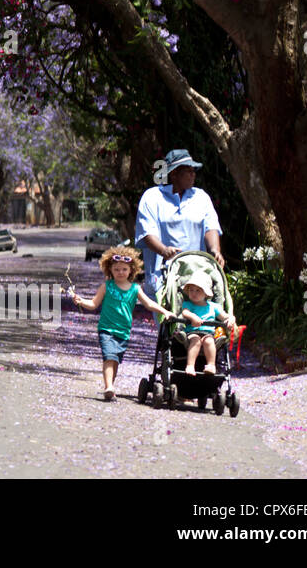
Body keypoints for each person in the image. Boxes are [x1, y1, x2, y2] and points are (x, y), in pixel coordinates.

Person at [68, 247, 170, 401]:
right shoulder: (107, 286)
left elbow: (149, 304)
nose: (120, 272)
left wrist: (165, 311)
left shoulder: (135, 289)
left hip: (123, 332)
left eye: (124, 269)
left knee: (115, 360)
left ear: (131, 270)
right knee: (109, 357)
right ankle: (108, 386)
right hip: (106, 329)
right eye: (116, 269)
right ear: (110, 270)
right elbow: (94, 304)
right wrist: (81, 301)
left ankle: (110, 388)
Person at [135, 148, 224, 303]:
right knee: (170, 324)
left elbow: (210, 227)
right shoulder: (152, 198)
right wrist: (163, 250)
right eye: (188, 170)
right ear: (174, 174)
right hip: (163, 278)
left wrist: (215, 250)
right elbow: (147, 233)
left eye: (194, 170)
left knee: (198, 323)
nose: (193, 174)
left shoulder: (201, 197)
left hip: (196, 278)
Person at [178, 272, 237, 375]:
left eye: (198, 290)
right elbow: (185, 312)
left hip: (208, 333)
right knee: (196, 341)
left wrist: (230, 319)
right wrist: (193, 317)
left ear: (206, 293)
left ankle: (211, 365)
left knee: (209, 342)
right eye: (191, 290)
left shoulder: (213, 307)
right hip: (193, 332)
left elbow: (224, 316)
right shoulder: (188, 304)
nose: (193, 293)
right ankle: (190, 366)